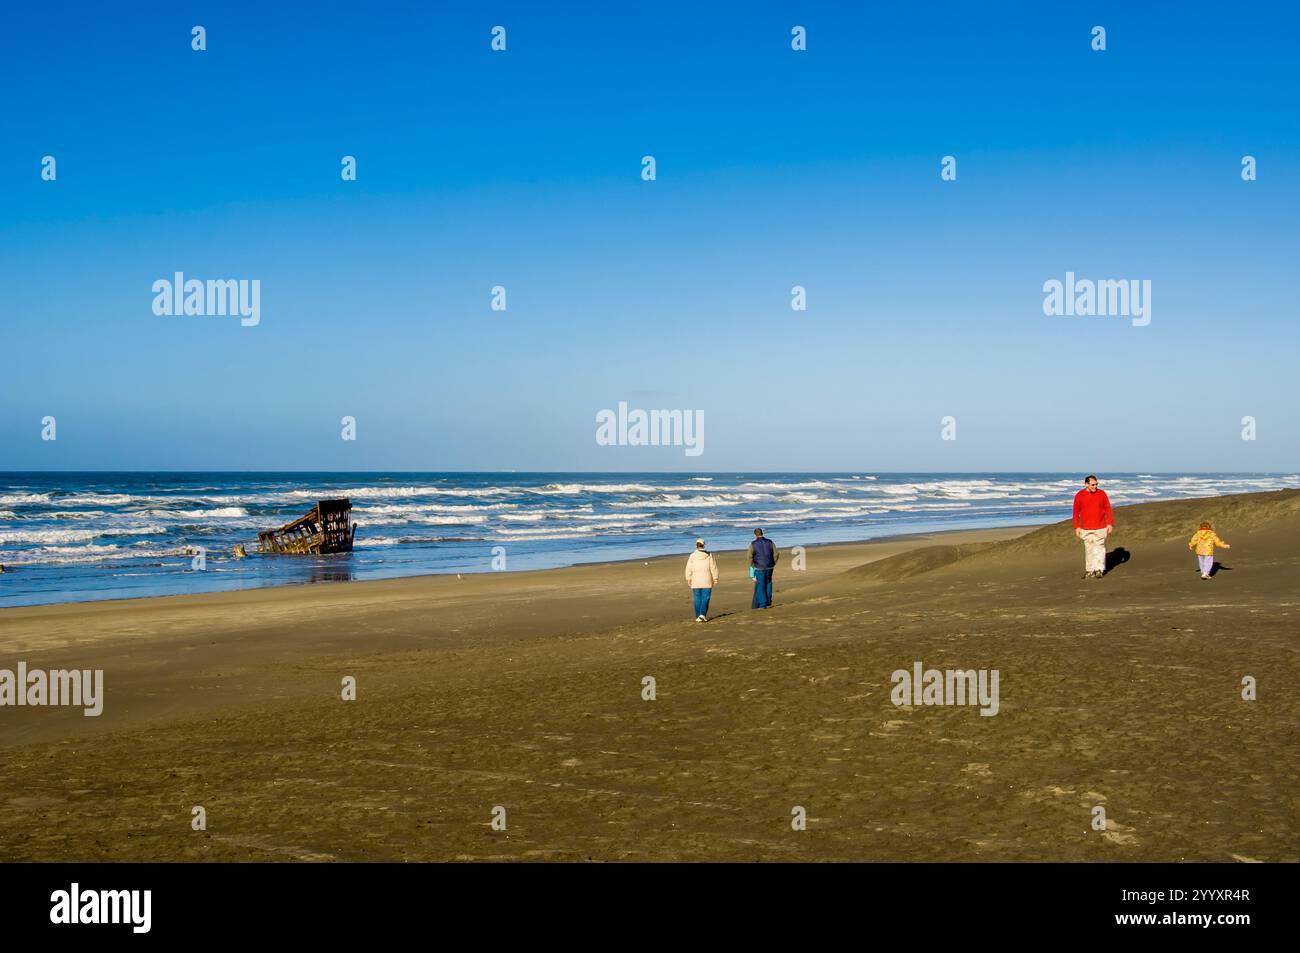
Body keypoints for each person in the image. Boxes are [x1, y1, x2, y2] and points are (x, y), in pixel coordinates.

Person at [1072, 475, 1113, 579]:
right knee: (1089, 549)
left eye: (1096, 484)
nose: (1095, 486)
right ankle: (1090, 570)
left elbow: (1108, 508)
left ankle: (1099, 570)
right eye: (1093, 484)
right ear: (1086, 484)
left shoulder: (1102, 494)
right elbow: (1076, 512)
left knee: (1100, 548)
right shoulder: (1079, 495)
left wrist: (1110, 524)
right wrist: (1076, 526)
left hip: (1100, 527)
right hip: (1085, 528)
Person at [684, 538, 719, 622]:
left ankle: (698, 616)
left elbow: (688, 568)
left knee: (697, 599)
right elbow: (713, 567)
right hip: (706, 580)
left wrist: (688, 578)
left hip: (695, 580)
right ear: (704, 545)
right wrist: (715, 578)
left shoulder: (692, 555)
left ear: (696, 545)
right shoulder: (709, 555)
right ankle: (702, 615)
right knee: (705, 598)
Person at [748, 528, 779, 608]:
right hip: (769, 566)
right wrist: (773, 563)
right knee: (768, 583)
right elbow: (776, 554)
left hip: (759, 567)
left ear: (755, 535)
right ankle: (768, 601)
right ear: (762, 533)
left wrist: (752, 565)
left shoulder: (753, 544)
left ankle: (763, 604)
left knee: (760, 586)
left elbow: (749, 557)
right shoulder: (770, 542)